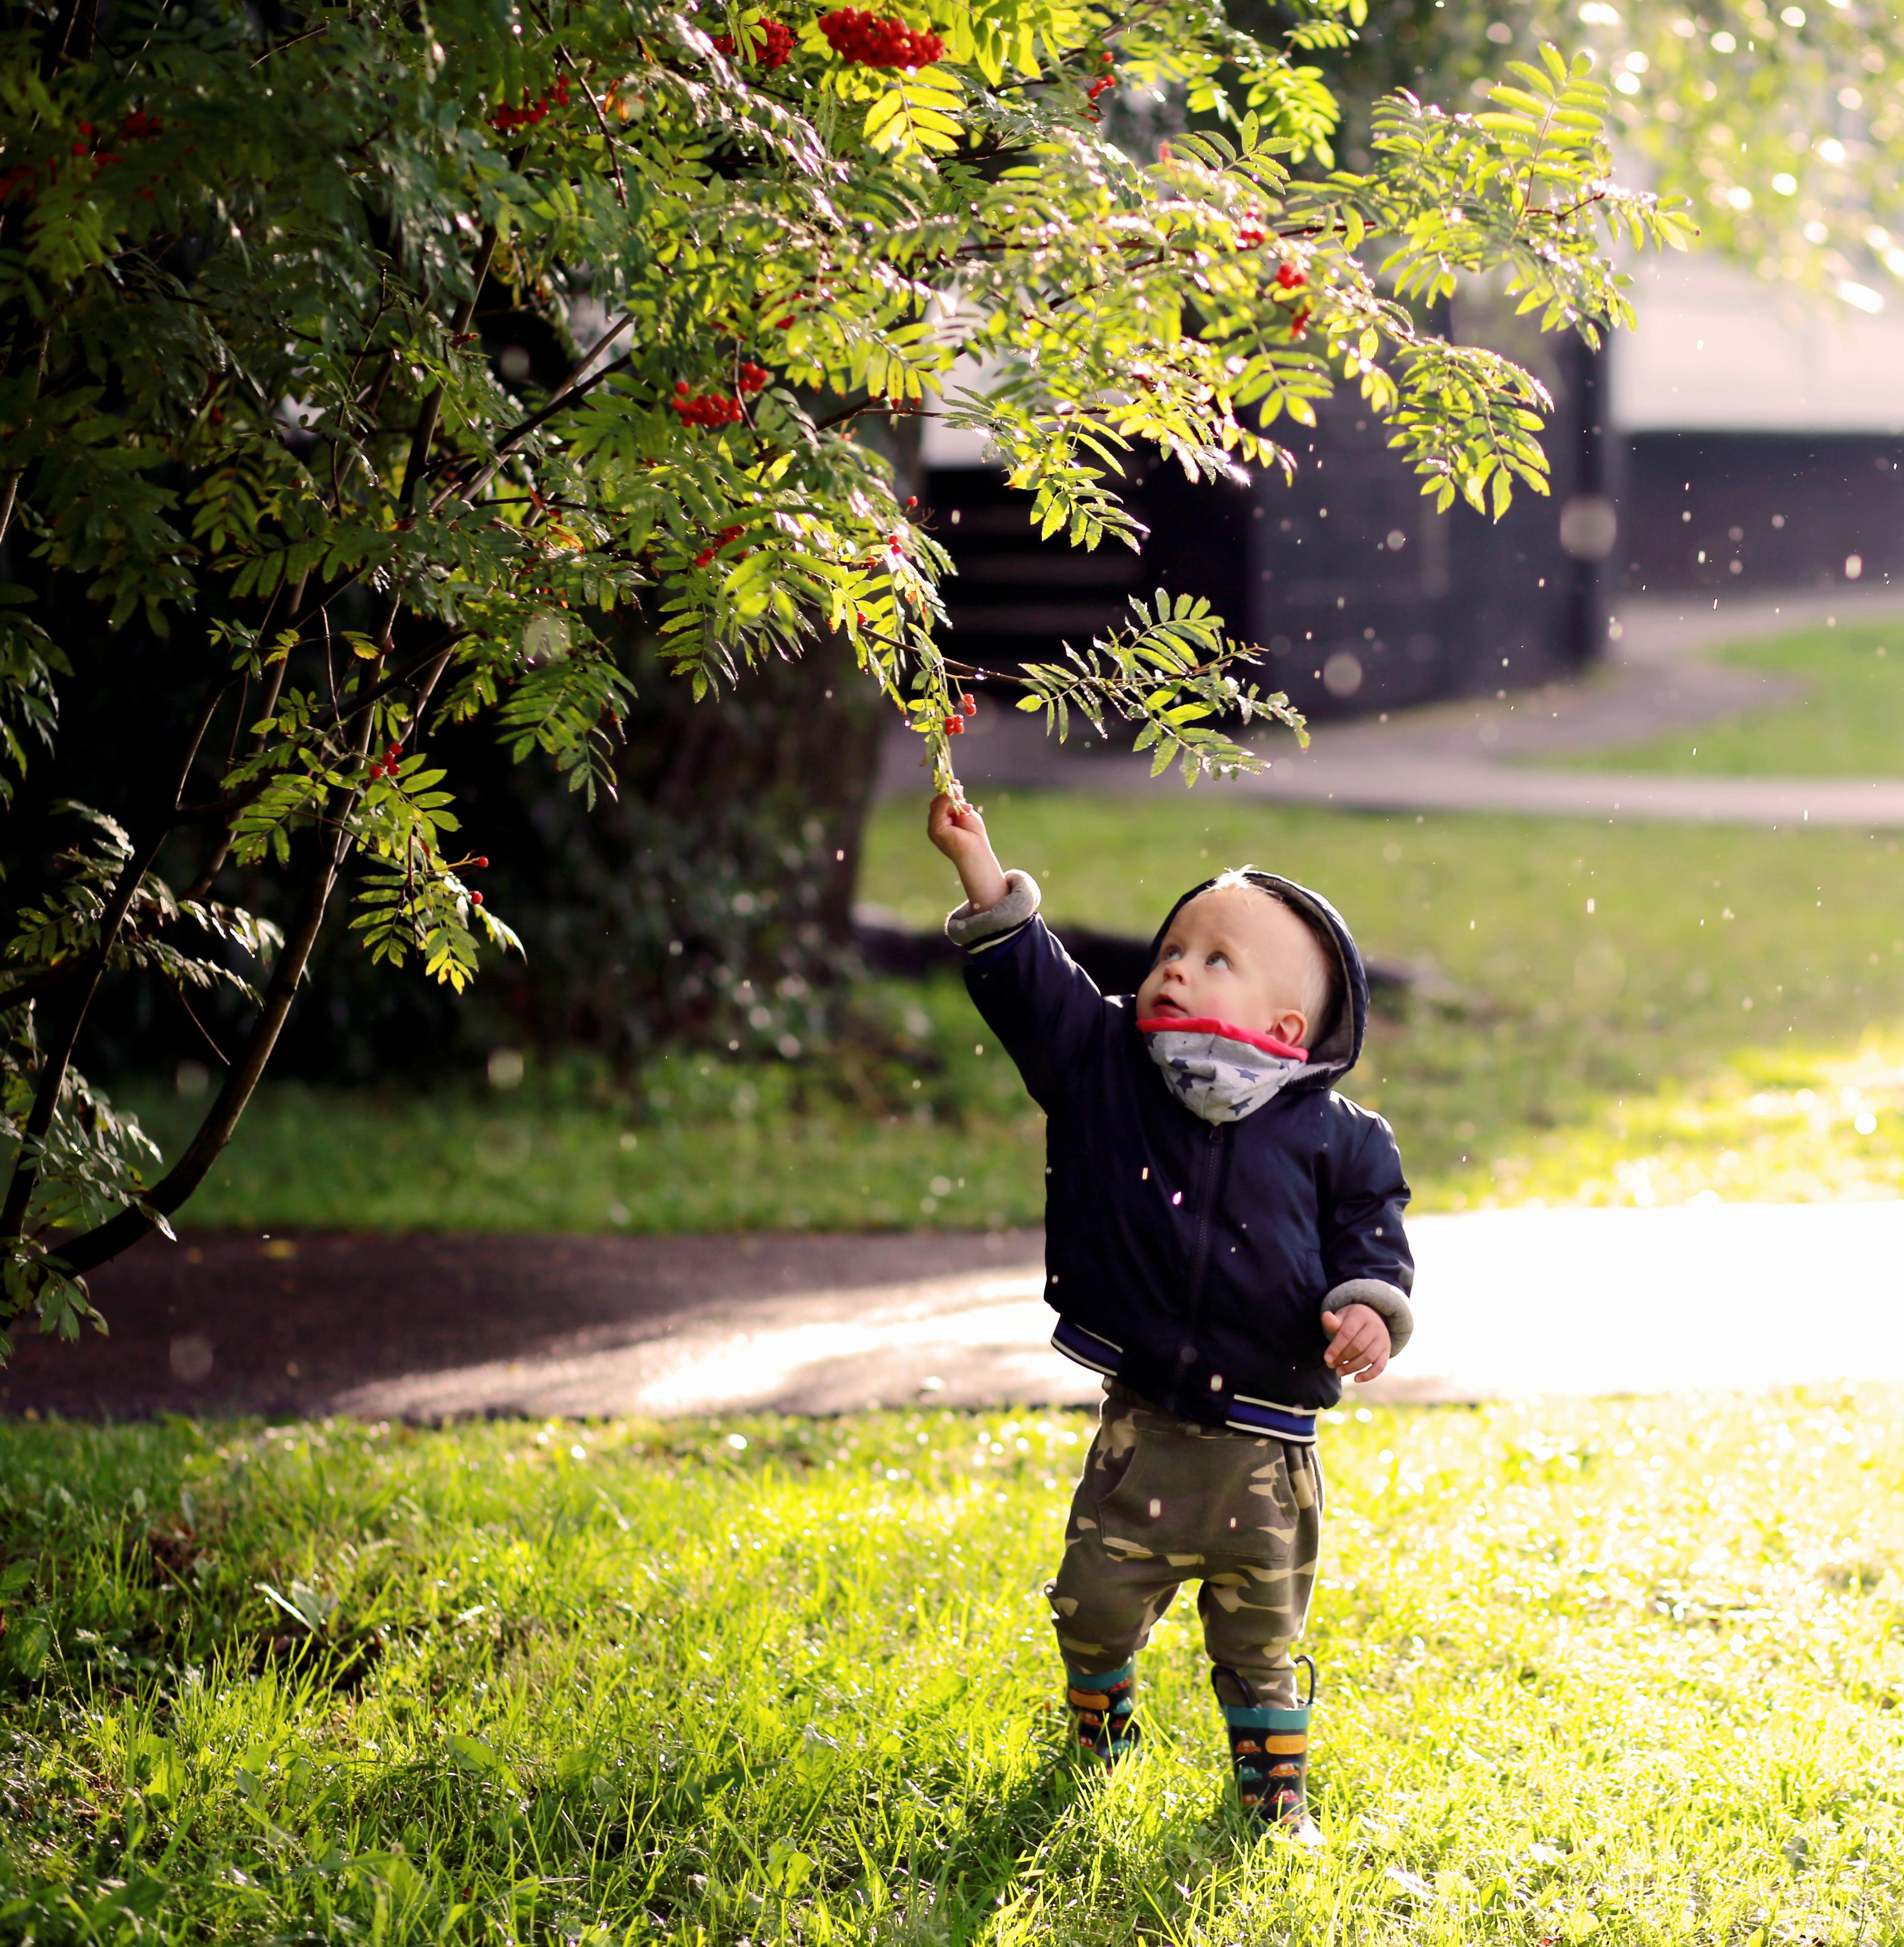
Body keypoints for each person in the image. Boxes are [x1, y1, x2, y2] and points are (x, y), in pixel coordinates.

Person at [927, 788, 1414, 1835]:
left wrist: (1371, 1309)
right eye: (1172, 950)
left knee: (1261, 1640)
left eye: (1214, 959)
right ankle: (1101, 1727)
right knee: (1092, 1605)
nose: (1175, 968)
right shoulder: (1111, 1068)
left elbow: (1372, 1238)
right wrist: (981, 870)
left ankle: (1274, 1798)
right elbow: (1037, 991)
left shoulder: (1341, 1139)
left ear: (1286, 1028)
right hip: (1143, 1435)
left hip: (1267, 1456)